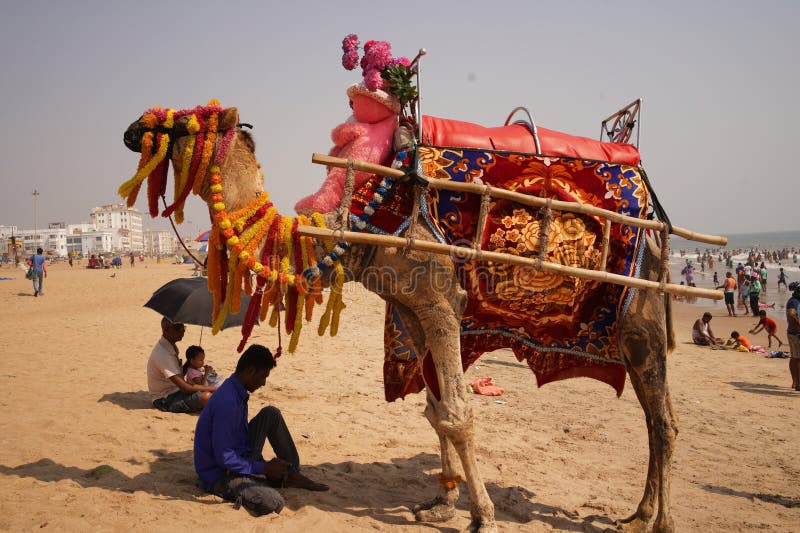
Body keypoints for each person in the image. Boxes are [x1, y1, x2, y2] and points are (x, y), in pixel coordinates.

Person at [194, 344, 328, 516]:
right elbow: (224, 457)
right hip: (219, 474)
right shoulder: (227, 401)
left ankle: (289, 474)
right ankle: (271, 479)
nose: (264, 383)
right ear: (250, 371)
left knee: (270, 414)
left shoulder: (236, 390)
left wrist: (261, 466)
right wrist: (263, 468)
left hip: (240, 453)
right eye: (263, 376)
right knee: (273, 502)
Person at [147, 318, 217, 412]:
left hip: (176, 390)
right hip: (165, 399)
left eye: (183, 328)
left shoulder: (170, 346)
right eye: (178, 328)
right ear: (166, 330)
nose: (183, 331)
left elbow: (178, 373)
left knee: (210, 388)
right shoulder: (163, 354)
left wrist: (192, 359)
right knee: (207, 396)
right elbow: (186, 388)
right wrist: (214, 389)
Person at [786, 282, 800, 391]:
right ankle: (797, 383)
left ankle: (796, 382)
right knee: (797, 358)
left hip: (793, 333)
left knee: (795, 358)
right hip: (796, 334)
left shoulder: (795, 300)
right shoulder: (794, 302)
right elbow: (791, 314)